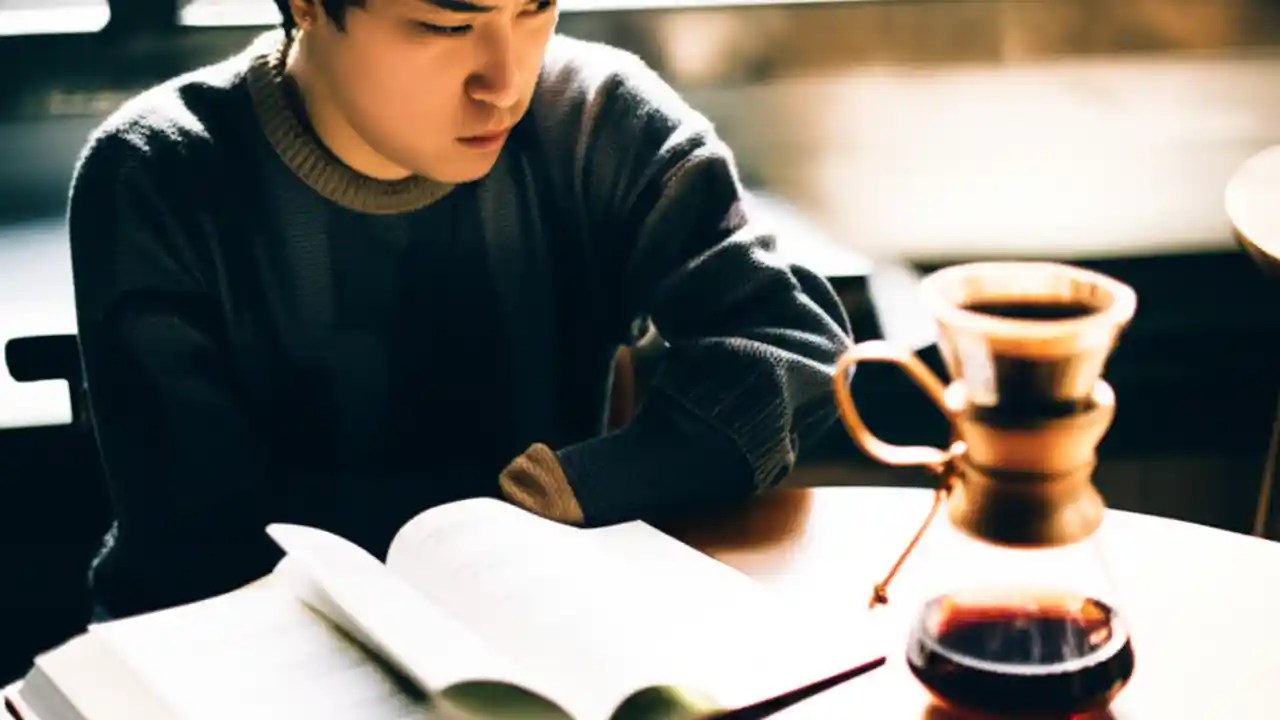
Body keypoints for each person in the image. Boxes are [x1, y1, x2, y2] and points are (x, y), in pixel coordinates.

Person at [68, 0, 852, 620]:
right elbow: (198, 538)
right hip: (226, 638)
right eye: (447, 24)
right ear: (306, 3)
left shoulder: (597, 121)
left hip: (528, 620)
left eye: (535, 6)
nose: (505, 80)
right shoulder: (157, 174)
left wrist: (581, 491)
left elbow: (791, 344)